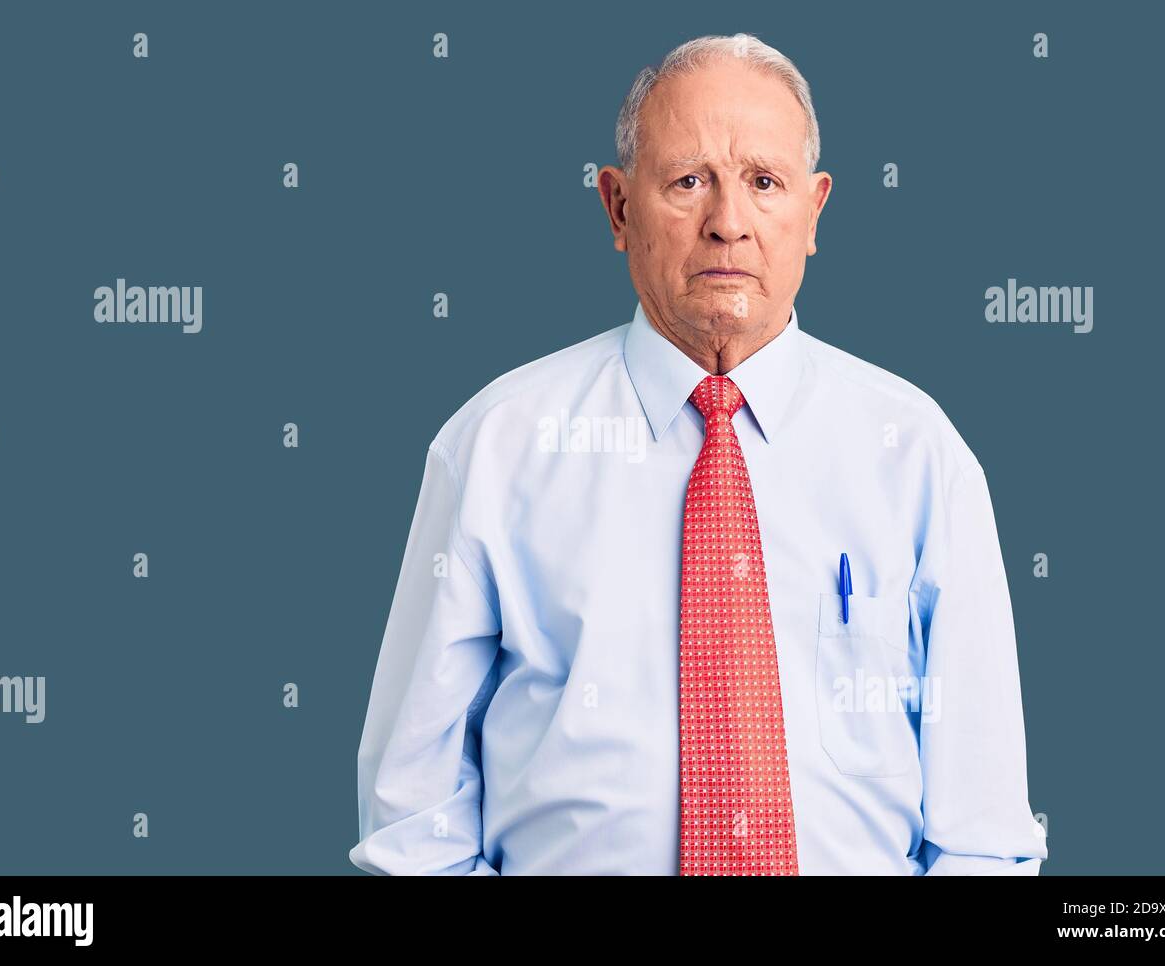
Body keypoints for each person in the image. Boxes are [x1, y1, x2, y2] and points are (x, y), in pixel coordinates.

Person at [349, 32, 1048, 875]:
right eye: (688, 182)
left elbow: (983, 833)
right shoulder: (498, 447)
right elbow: (412, 818)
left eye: (764, 182)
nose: (727, 222)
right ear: (616, 208)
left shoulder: (919, 455)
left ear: (815, 211)